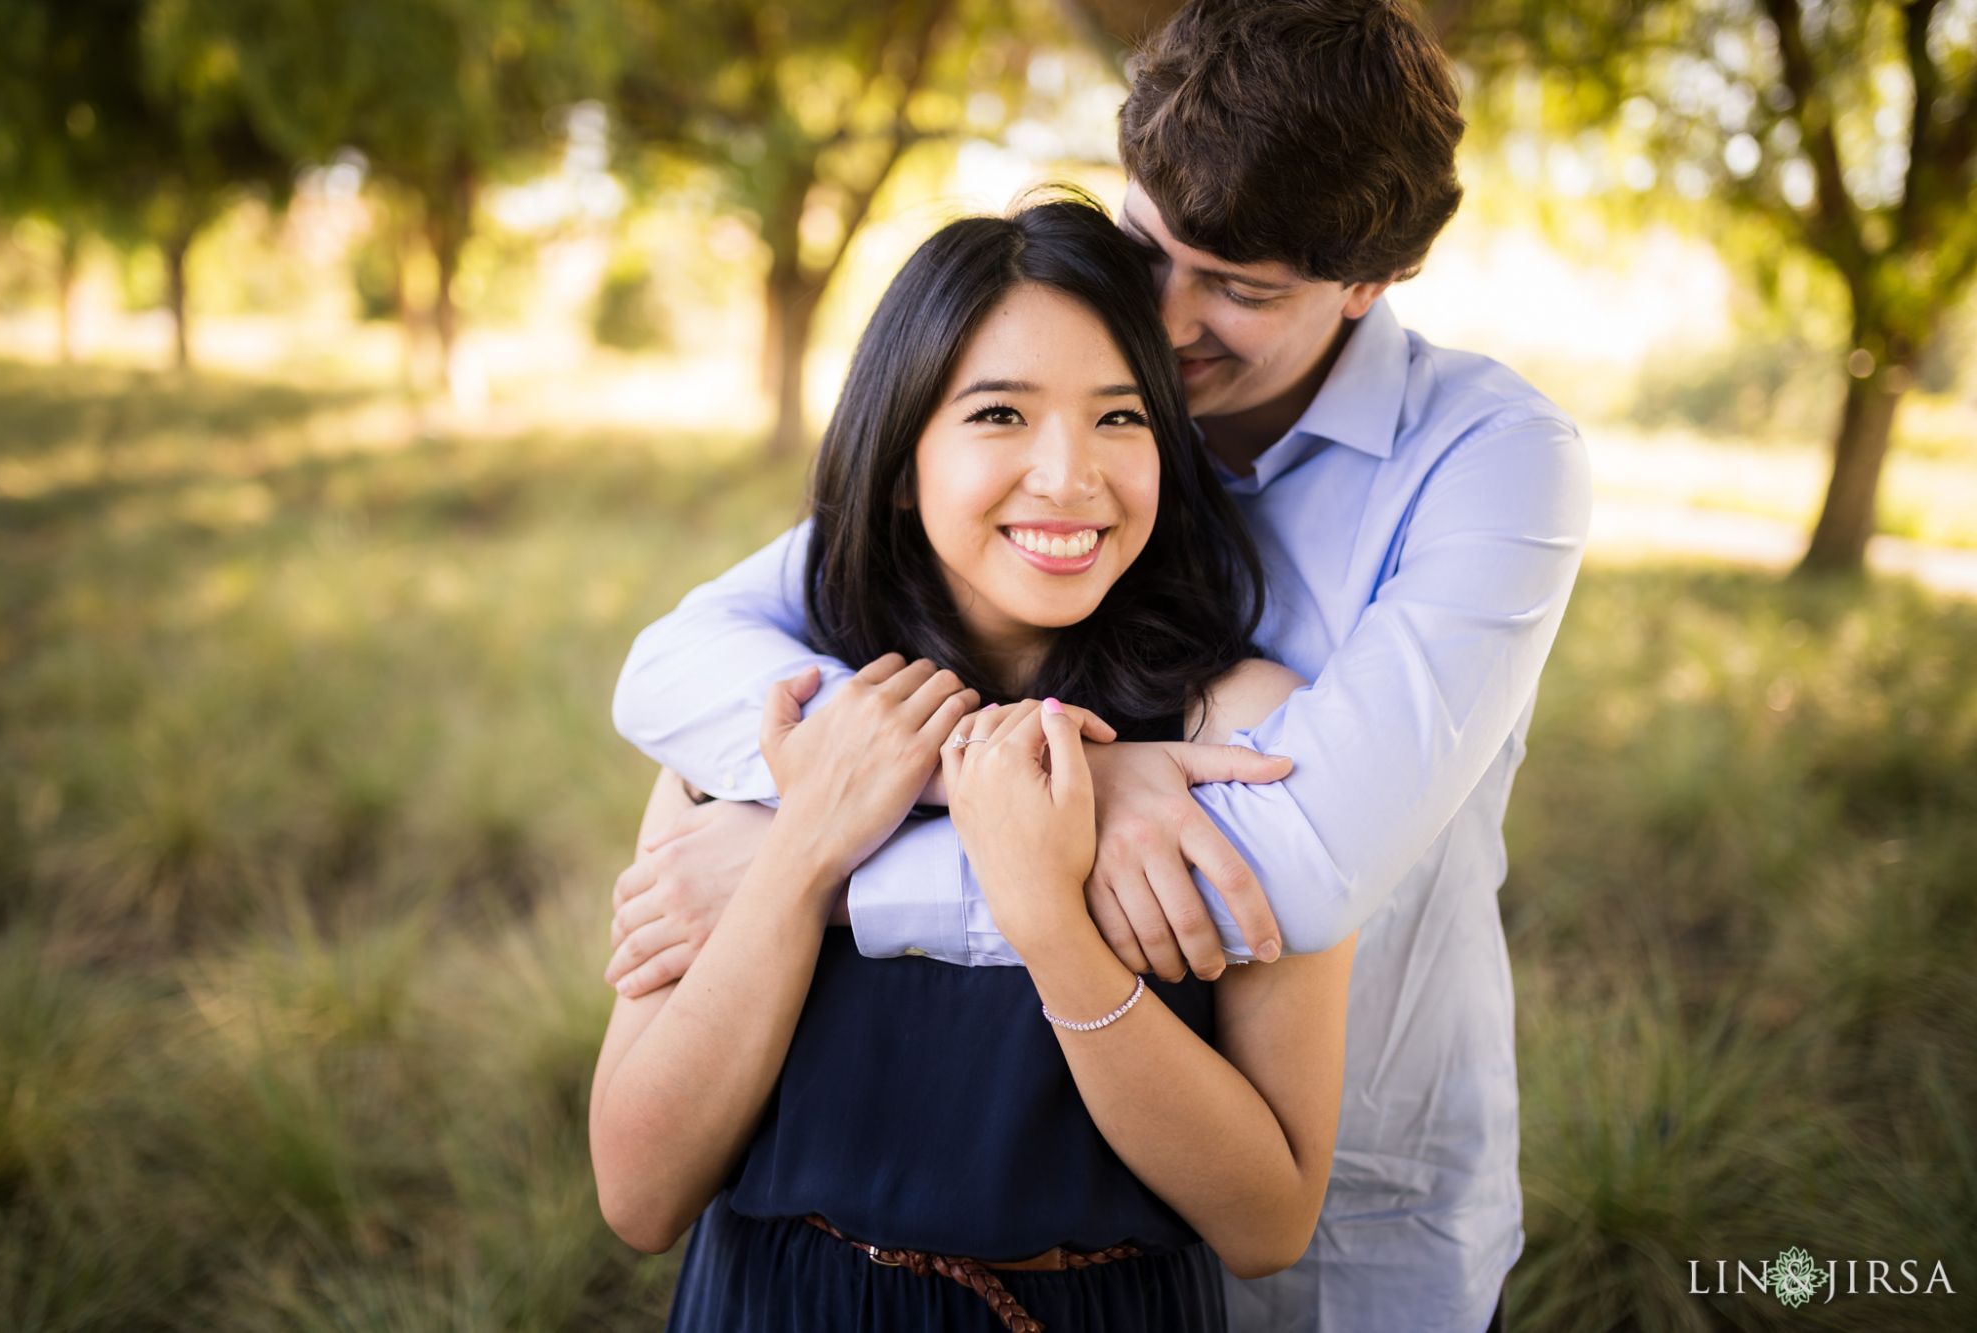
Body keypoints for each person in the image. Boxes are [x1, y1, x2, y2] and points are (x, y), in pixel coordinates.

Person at [607, 3, 1592, 1329]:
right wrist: (963, 783)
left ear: (1372, 280)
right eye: (1150, 249)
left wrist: (820, 866)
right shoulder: (1010, 466)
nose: (1170, 323)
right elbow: (674, 663)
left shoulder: (1490, 467)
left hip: (1350, 1178)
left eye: (1241, 289)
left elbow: (1287, 862)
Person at [590, 198, 1360, 1333]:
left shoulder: (1242, 737)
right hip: (778, 1303)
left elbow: (1267, 1219)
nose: (1067, 476)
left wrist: (1049, 920)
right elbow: (638, 1193)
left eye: (1119, 417)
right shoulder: (774, 721)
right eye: (999, 413)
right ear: (902, 459)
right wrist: (802, 850)